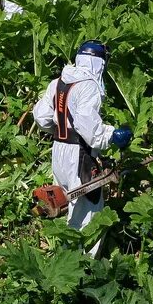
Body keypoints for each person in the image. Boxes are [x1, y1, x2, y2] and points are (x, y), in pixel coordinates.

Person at [32, 41, 132, 244]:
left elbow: (41, 117)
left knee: (64, 201)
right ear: (99, 63)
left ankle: (64, 252)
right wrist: (113, 135)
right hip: (80, 155)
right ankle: (85, 266)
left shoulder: (58, 82)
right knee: (89, 213)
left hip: (59, 150)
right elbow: (90, 130)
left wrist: (61, 131)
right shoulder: (88, 86)